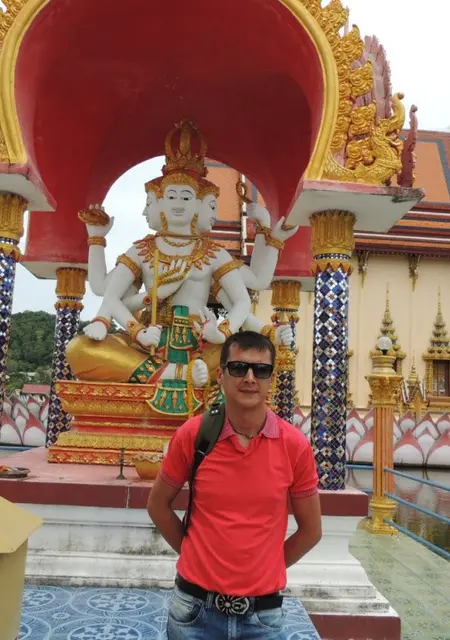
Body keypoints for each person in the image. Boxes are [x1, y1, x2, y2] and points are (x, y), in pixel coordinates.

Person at [147, 331, 322, 639]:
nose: (250, 378)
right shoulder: (193, 435)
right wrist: (193, 554)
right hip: (194, 611)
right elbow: (157, 505)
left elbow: (311, 530)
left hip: (262, 616)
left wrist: (265, 568)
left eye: (261, 370)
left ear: (271, 379)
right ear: (221, 376)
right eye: (239, 368)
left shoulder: (294, 446)